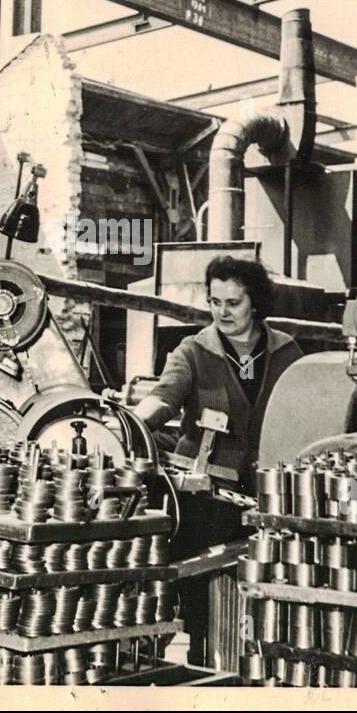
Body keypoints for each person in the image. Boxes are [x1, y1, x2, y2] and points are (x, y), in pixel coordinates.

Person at [131, 255, 303, 665]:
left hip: (263, 496)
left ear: (255, 303)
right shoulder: (193, 351)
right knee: (201, 602)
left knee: (254, 602)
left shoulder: (286, 352)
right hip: (204, 502)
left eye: (233, 302)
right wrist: (136, 422)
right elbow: (165, 395)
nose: (222, 311)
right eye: (215, 301)